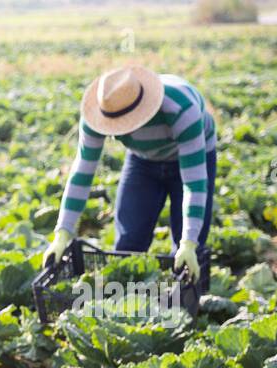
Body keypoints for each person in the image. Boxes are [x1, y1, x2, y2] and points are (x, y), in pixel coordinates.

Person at [44, 66, 217, 280]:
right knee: (128, 244)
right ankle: (127, 305)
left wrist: (188, 243)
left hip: (192, 157)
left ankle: (188, 305)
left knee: (187, 249)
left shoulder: (181, 108)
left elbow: (194, 183)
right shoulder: (98, 113)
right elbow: (82, 173)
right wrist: (62, 233)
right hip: (142, 161)